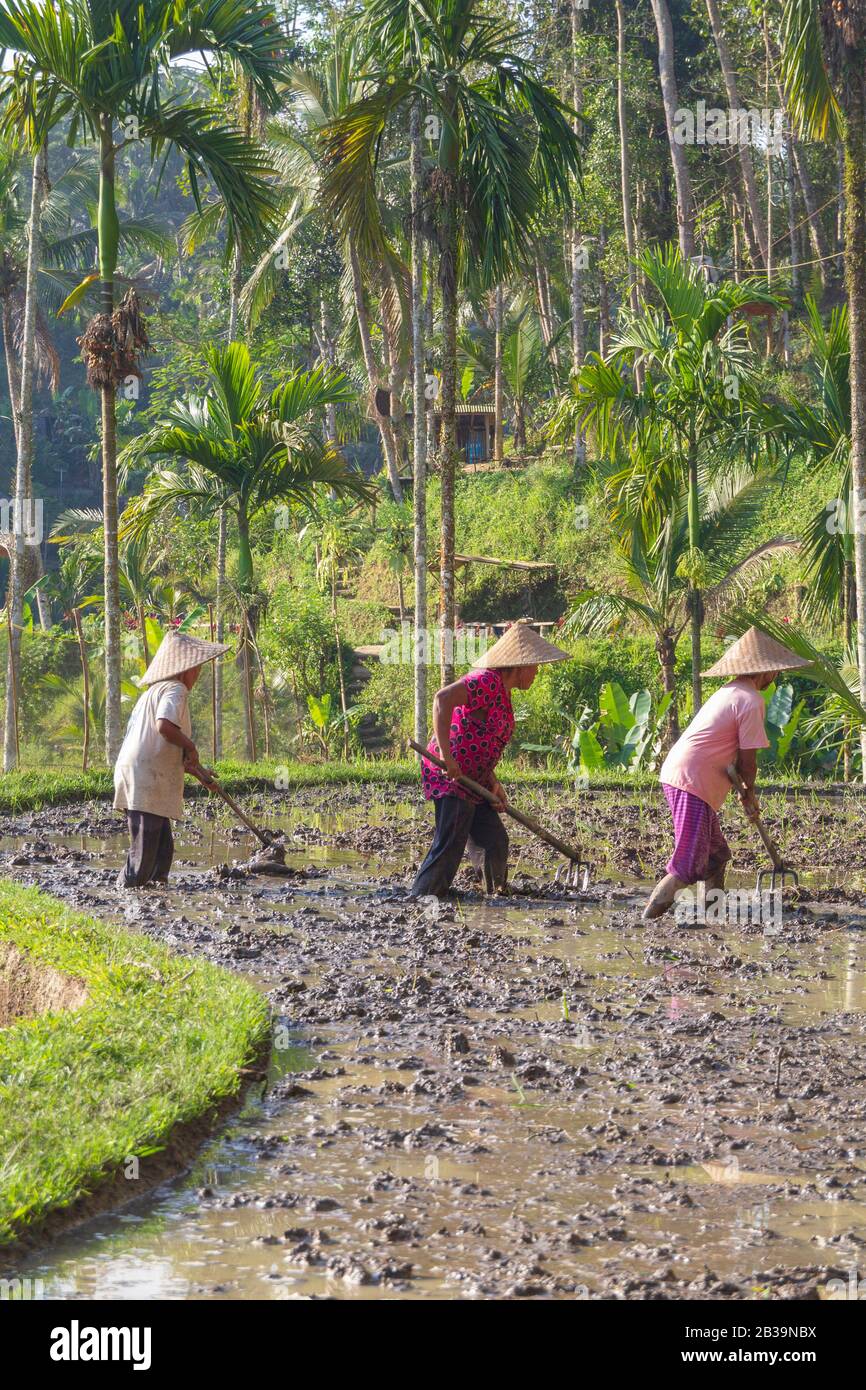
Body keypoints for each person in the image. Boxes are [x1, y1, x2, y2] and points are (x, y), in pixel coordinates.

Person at [643, 626, 810, 921]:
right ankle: (647, 920)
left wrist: (746, 792)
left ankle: (713, 915)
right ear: (766, 672)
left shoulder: (731, 691)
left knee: (716, 854)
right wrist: (750, 793)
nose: (777, 676)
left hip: (688, 777)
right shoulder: (751, 700)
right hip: (692, 781)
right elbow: (747, 762)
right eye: (776, 671)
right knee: (688, 862)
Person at [411, 621, 570, 898]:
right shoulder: (486, 681)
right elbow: (442, 700)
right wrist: (447, 758)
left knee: (494, 840)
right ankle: (422, 897)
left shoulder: (503, 693)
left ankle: (496, 894)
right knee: (449, 842)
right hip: (452, 776)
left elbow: (483, 741)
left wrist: (493, 783)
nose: (536, 674)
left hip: (474, 780)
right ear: (521, 665)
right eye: (535, 668)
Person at [114, 630, 229, 889]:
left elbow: (165, 747)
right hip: (144, 774)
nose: (198, 674)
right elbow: (164, 726)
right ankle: (123, 895)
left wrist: (200, 773)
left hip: (141, 770)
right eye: (197, 668)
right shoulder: (176, 689)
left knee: (162, 850)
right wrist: (191, 745)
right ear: (185, 669)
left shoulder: (157, 691)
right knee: (144, 852)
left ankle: (153, 895)